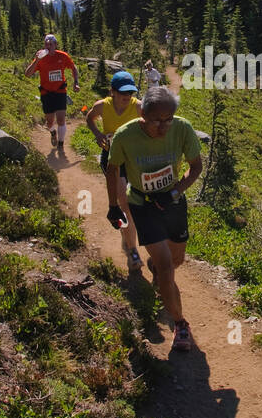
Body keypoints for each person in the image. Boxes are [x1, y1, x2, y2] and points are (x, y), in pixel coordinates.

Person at [105, 85, 202, 352]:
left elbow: (196, 167)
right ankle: (181, 324)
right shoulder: (125, 136)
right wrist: (114, 206)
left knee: (176, 260)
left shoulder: (182, 128)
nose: (164, 126)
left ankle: (157, 270)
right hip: (142, 204)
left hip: (172, 203)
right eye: (157, 120)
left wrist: (174, 192)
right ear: (143, 116)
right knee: (168, 267)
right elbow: (112, 169)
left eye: (168, 119)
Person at [85, 71, 144, 272]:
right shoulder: (103, 106)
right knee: (124, 202)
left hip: (133, 159)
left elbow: (151, 127)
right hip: (111, 159)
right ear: (113, 92)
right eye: (123, 92)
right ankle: (133, 251)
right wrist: (98, 134)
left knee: (133, 205)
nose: (127, 96)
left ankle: (127, 241)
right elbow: (89, 118)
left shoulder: (138, 107)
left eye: (130, 92)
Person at [25, 35, 79, 156]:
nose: (48, 47)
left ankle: (61, 143)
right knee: (50, 122)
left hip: (60, 91)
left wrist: (76, 82)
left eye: (50, 44)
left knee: (61, 119)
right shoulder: (40, 59)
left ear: (55, 45)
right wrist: (37, 60)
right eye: (46, 44)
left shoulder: (63, 56)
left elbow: (73, 67)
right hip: (46, 93)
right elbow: (27, 74)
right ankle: (53, 132)